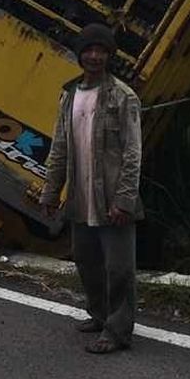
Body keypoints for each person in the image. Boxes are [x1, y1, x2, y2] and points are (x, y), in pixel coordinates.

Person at [40, 23, 143, 354]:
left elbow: (133, 152)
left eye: (101, 51)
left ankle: (118, 331)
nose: (94, 56)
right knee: (87, 262)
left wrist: (124, 199)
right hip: (80, 197)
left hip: (112, 198)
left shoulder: (123, 96)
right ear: (79, 54)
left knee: (119, 268)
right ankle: (98, 315)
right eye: (88, 50)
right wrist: (50, 192)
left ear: (109, 55)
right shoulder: (69, 95)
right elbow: (60, 147)